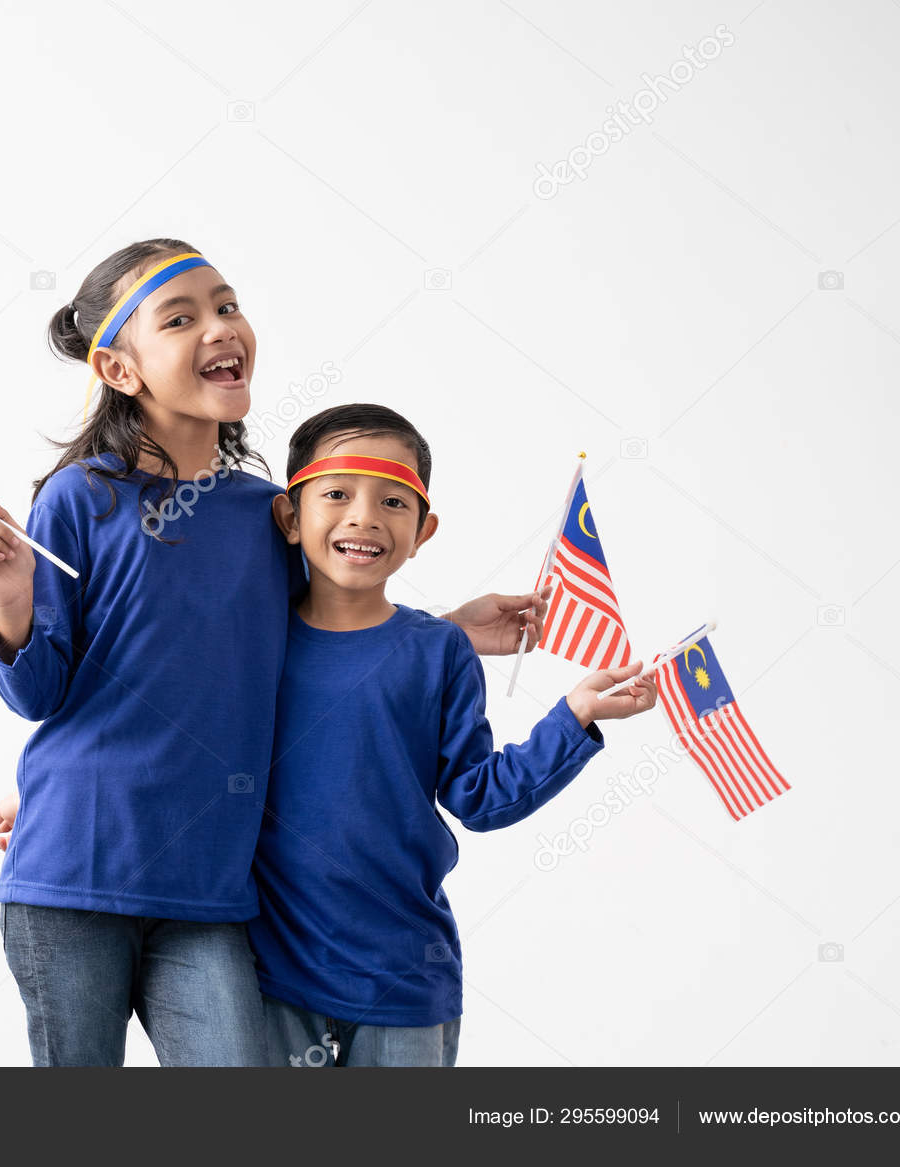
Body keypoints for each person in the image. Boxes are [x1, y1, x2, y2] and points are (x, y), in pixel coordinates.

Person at [0, 240, 549, 1066]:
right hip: (73, 876)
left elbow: (313, 651)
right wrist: (12, 599)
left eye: (227, 305)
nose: (220, 327)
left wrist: (449, 629)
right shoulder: (78, 500)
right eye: (182, 316)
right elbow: (42, 693)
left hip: (210, 893)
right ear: (120, 369)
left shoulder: (270, 516)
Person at [249, 403, 658, 1067]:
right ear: (290, 517)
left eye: (392, 500)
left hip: (406, 981)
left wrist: (573, 715)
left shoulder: (440, 652)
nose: (363, 516)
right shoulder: (250, 639)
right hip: (271, 977)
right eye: (335, 493)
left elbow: (480, 796)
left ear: (423, 530)